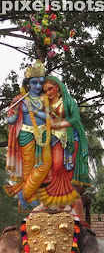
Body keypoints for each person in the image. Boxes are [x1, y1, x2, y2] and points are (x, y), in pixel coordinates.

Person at [35, 76, 90, 208]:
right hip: (51, 139)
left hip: (69, 138)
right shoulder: (45, 105)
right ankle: (53, 196)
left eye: (50, 89)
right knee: (53, 166)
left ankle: (66, 193)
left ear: (58, 89)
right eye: (45, 90)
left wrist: (57, 125)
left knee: (63, 166)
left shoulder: (68, 102)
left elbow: (75, 120)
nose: (48, 92)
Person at [4, 60, 52, 208]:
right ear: (28, 83)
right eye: (34, 83)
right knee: (28, 168)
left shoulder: (45, 99)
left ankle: (23, 193)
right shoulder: (19, 100)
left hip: (44, 134)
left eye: (40, 83)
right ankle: (31, 197)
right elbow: (11, 120)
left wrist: (34, 111)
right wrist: (13, 112)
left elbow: (50, 118)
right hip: (26, 134)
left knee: (46, 164)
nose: (38, 86)